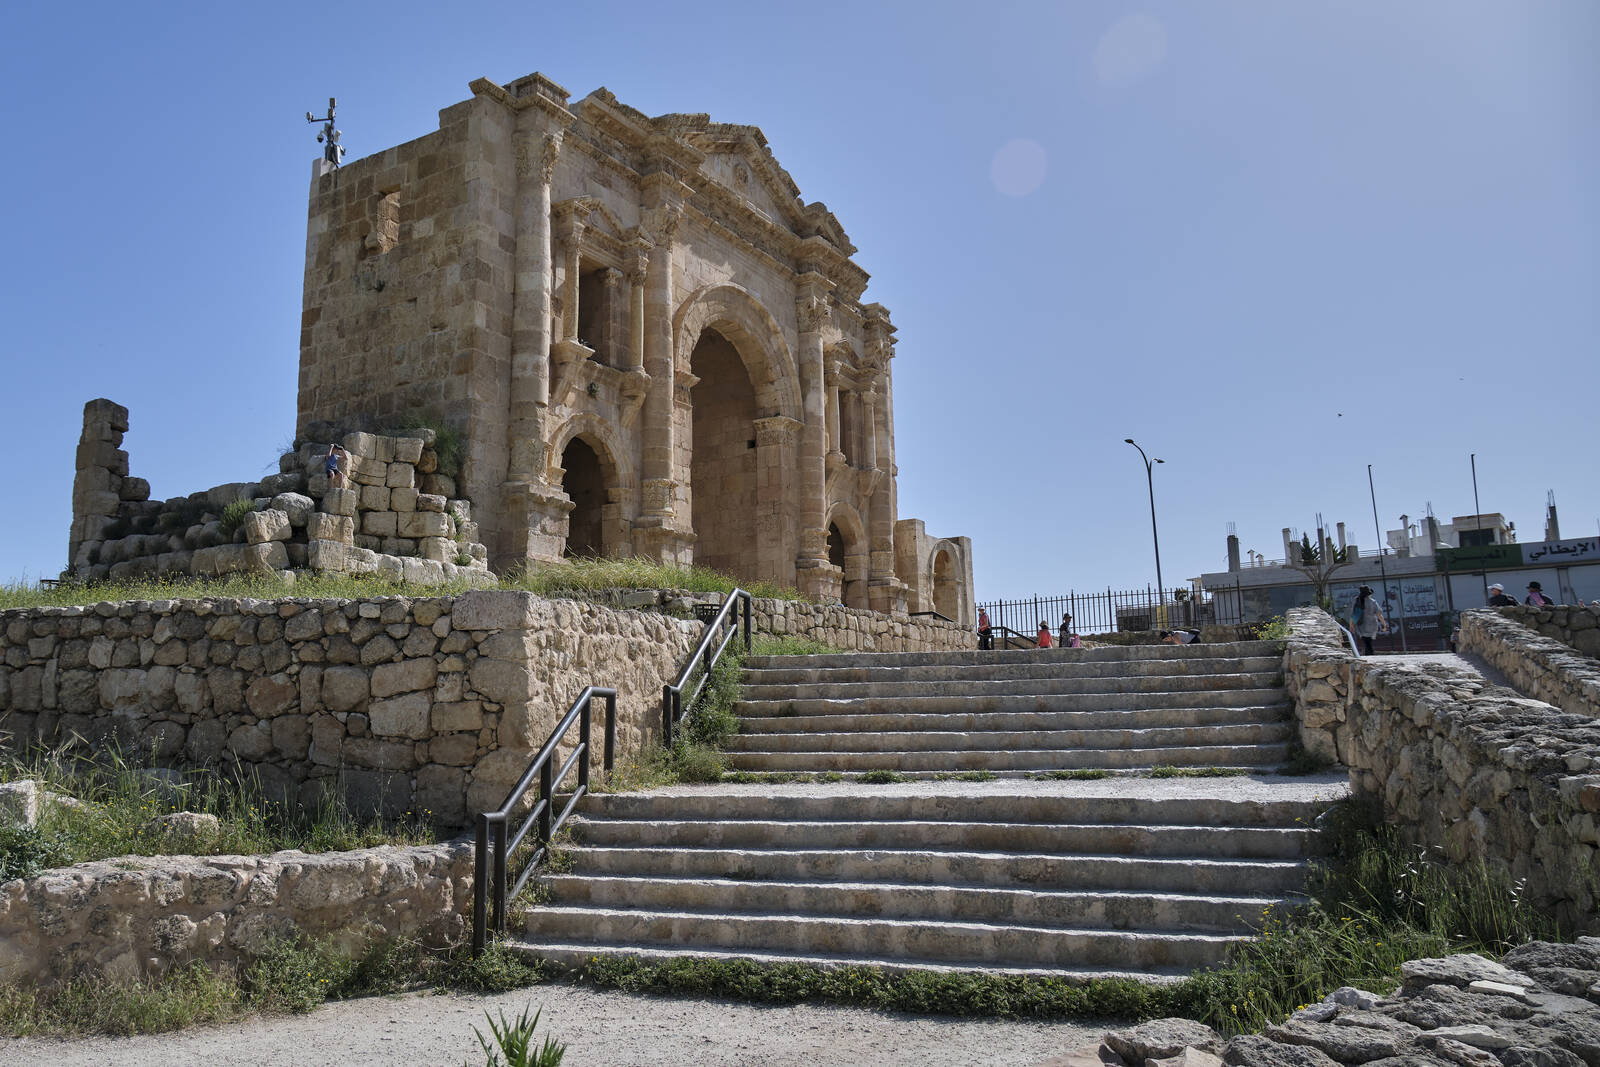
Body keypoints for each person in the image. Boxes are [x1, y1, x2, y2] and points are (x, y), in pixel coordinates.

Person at [1350, 585, 1386, 656]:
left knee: (1366, 641)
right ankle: (1370, 654)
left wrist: (1352, 625)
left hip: (1361, 624)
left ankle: (1369, 654)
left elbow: (1354, 614)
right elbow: (1379, 614)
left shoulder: (1357, 600)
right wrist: (1384, 624)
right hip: (1373, 624)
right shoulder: (1373, 602)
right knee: (1368, 641)